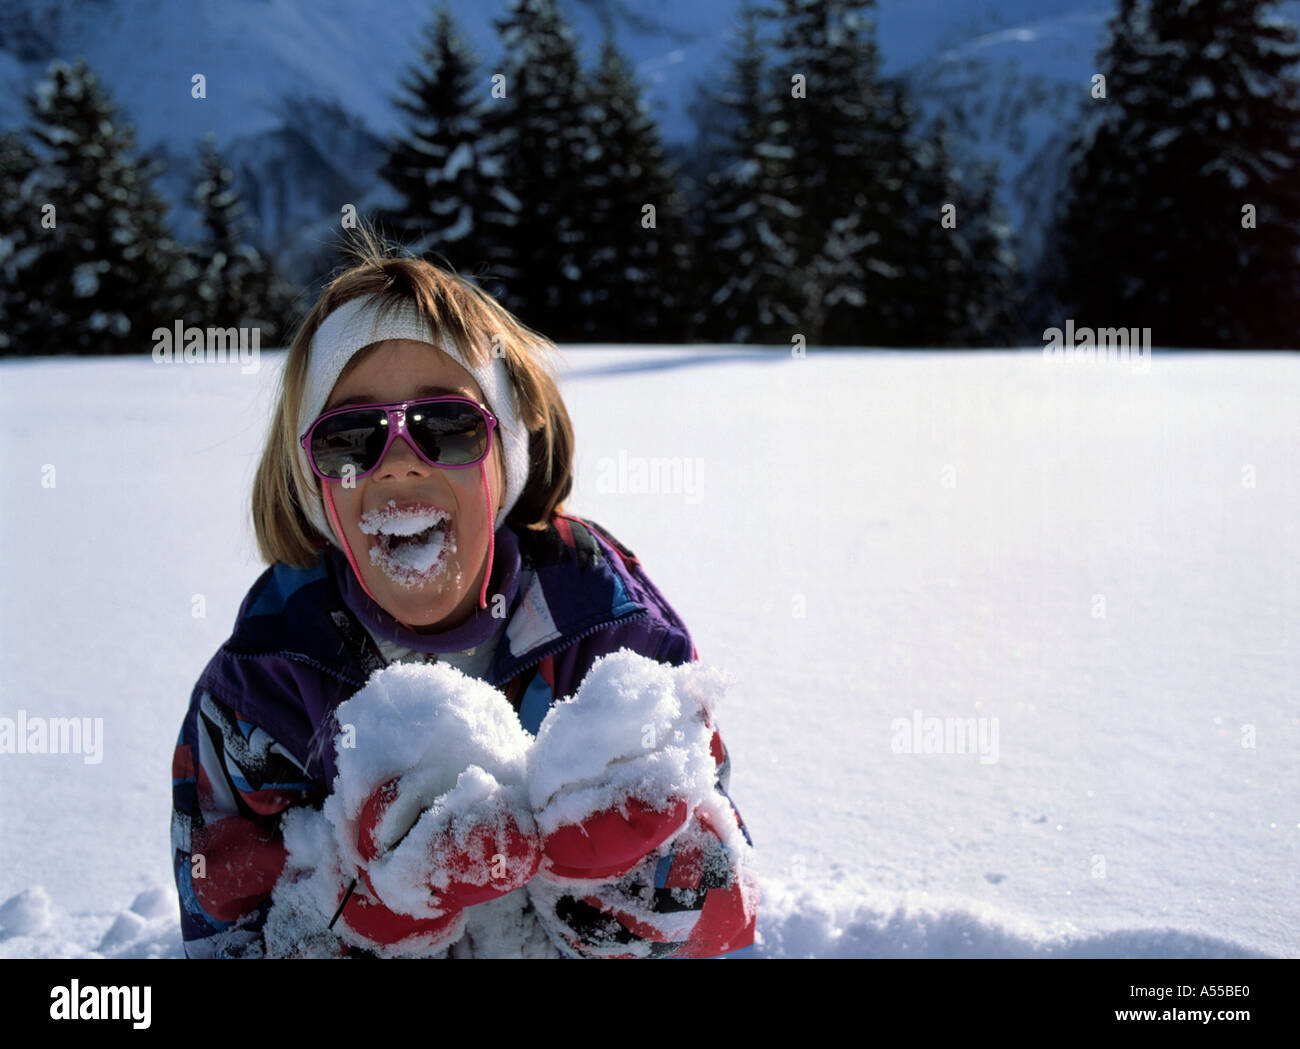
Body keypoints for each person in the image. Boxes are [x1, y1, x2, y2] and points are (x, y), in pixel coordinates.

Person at [169, 236, 758, 958]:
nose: (396, 465)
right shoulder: (268, 686)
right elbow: (222, 927)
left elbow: (730, 917)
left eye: (445, 427)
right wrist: (363, 906)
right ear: (314, 482)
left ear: (508, 446)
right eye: (350, 440)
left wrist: (624, 874)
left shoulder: (608, 630)